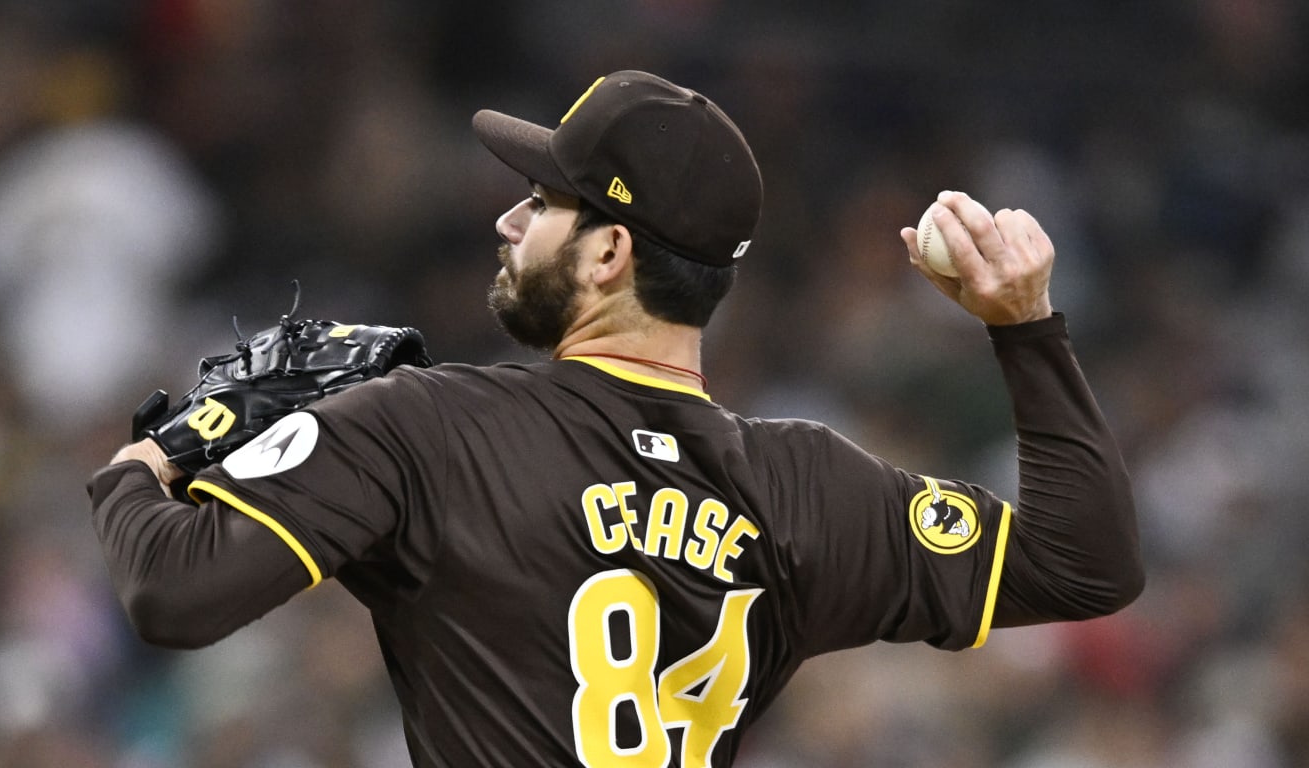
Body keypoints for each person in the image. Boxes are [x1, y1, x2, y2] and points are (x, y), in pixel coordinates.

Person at [88, 70, 1144, 767]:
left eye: (543, 203)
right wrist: (1026, 329)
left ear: (608, 253)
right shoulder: (810, 488)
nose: (509, 218)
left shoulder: (427, 429)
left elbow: (174, 593)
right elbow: (1087, 562)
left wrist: (147, 460)